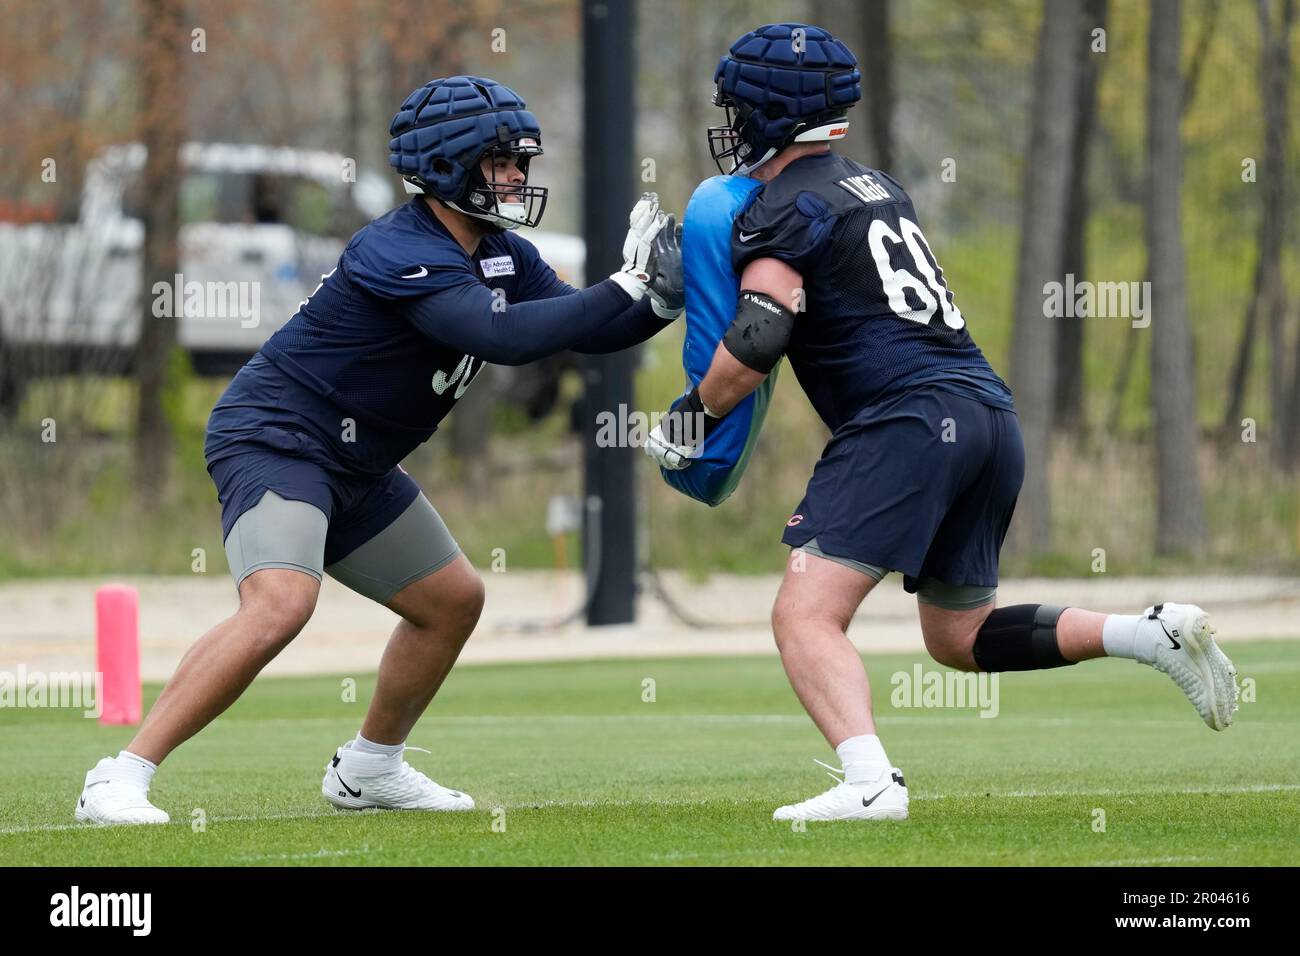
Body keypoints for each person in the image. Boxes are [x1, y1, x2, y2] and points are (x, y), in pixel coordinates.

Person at [646, 23, 1238, 823]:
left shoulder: (782, 204)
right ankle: (1149, 633)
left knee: (803, 614)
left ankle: (870, 785)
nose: (730, 121)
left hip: (907, 420)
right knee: (958, 636)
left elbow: (757, 337)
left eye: (737, 106)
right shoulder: (879, 186)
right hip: (987, 414)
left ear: (768, 113)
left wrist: (692, 413)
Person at [76, 75, 684, 825]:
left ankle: (369, 770)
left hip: (356, 460)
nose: (519, 177)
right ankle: (120, 772)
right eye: (501, 161)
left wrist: (658, 299)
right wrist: (625, 281)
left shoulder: (501, 252)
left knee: (452, 600)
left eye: (521, 161)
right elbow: (501, 336)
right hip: (280, 436)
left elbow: (578, 327)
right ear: (452, 164)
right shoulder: (398, 247)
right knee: (280, 604)